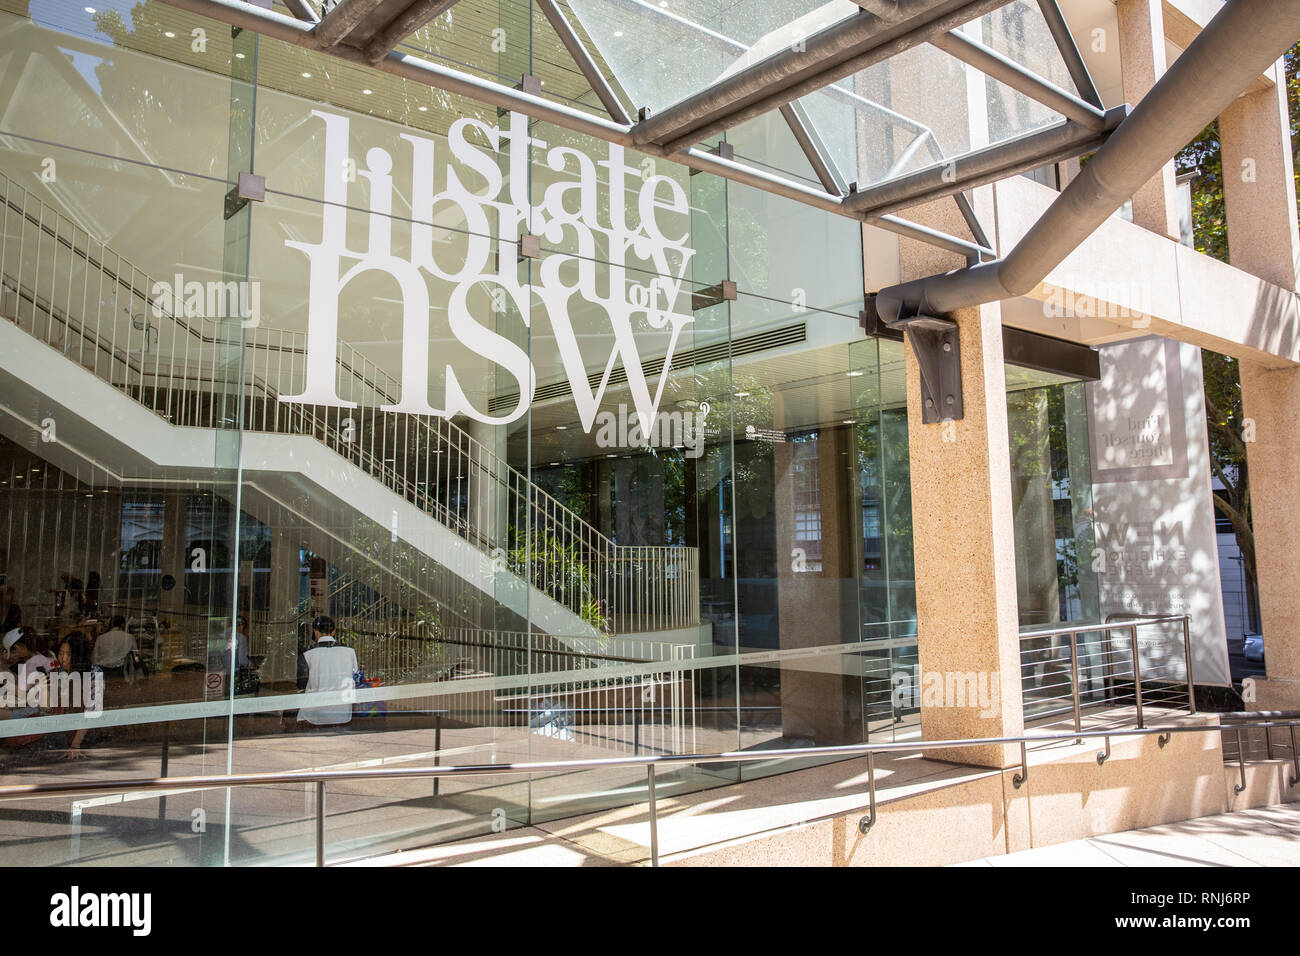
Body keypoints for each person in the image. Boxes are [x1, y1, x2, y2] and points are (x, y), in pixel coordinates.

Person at [295, 615, 358, 728]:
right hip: (343, 714)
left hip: (314, 714)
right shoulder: (350, 651)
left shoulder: (307, 653)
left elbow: (301, 683)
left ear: (315, 632)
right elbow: (356, 678)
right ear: (334, 632)